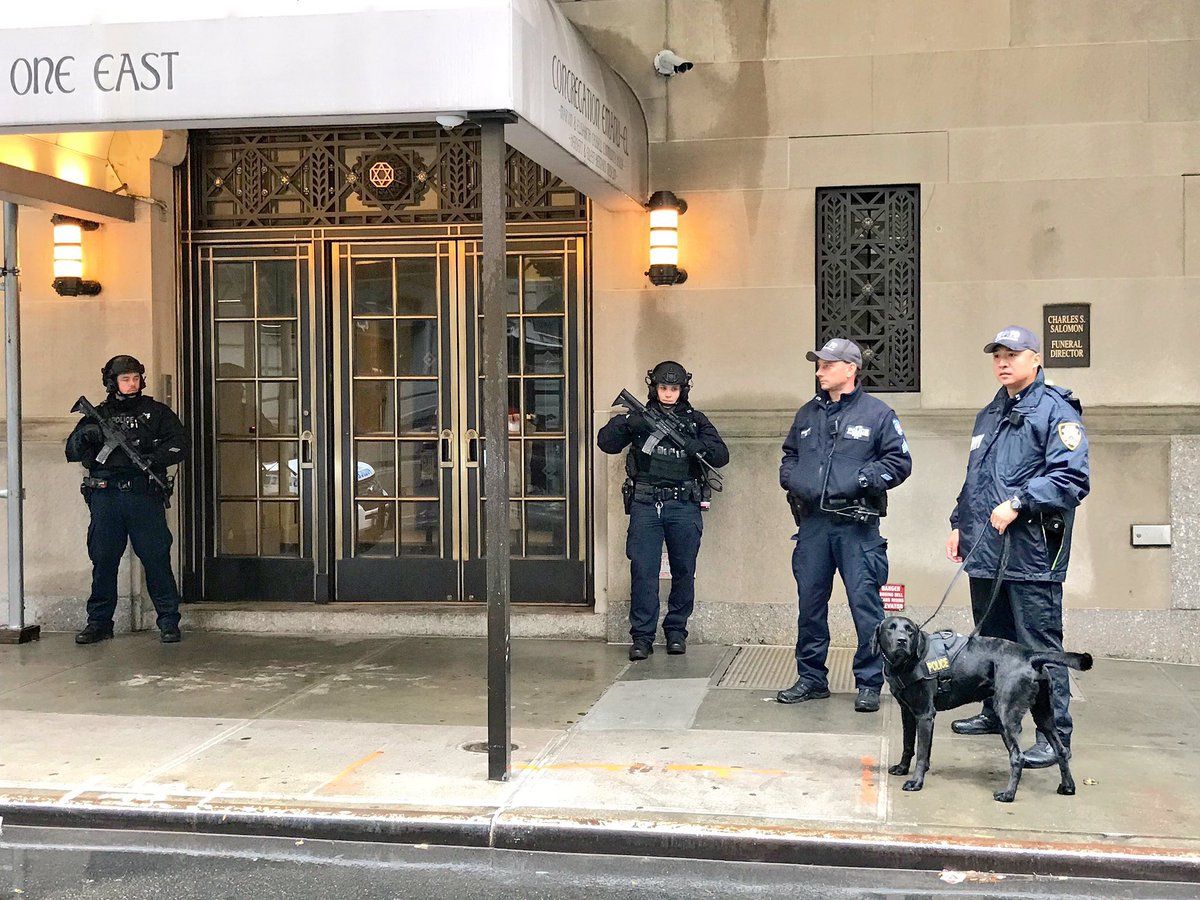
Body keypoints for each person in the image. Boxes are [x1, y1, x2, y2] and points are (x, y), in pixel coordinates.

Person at [946, 326, 1089, 768]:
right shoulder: (989, 412)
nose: (1003, 362)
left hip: (1032, 554)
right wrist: (957, 524)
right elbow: (976, 479)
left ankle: (1053, 737)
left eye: (1013, 354)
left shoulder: (1056, 411)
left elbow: (1071, 478)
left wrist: (1020, 502)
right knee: (992, 643)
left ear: (1036, 359)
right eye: (997, 356)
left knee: (1038, 648)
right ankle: (996, 713)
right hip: (986, 552)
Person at [777, 338, 912, 712]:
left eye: (827, 365)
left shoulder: (878, 414)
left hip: (856, 527)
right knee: (810, 606)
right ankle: (811, 678)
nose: (820, 371)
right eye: (818, 365)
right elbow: (789, 455)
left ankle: (869, 683)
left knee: (865, 608)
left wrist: (863, 480)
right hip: (813, 527)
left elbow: (899, 463)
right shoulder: (807, 414)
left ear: (850, 369)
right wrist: (791, 478)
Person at [597, 361, 729, 661]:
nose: (668, 394)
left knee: (684, 570)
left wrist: (699, 447)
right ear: (654, 388)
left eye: (674, 388)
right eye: (663, 388)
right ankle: (642, 636)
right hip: (646, 504)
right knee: (643, 570)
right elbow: (605, 442)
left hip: (683, 504)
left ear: (683, 390)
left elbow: (721, 456)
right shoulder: (640, 418)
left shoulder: (695, 420)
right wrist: (629, 423)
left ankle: (676, 632)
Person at [65, 355, 190, 644]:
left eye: (135, 378)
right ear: (113, 382)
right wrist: (87, 435)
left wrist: (151, 458)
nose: (131, 383)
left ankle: (168, 620)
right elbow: (72, 452)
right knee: (104, 560)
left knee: (156, 558)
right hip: (106, 496)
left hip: (142, 495)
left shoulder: (156, 413)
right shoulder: (97, 414)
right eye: (125, 379)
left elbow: (180, 444)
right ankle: (99, 622)